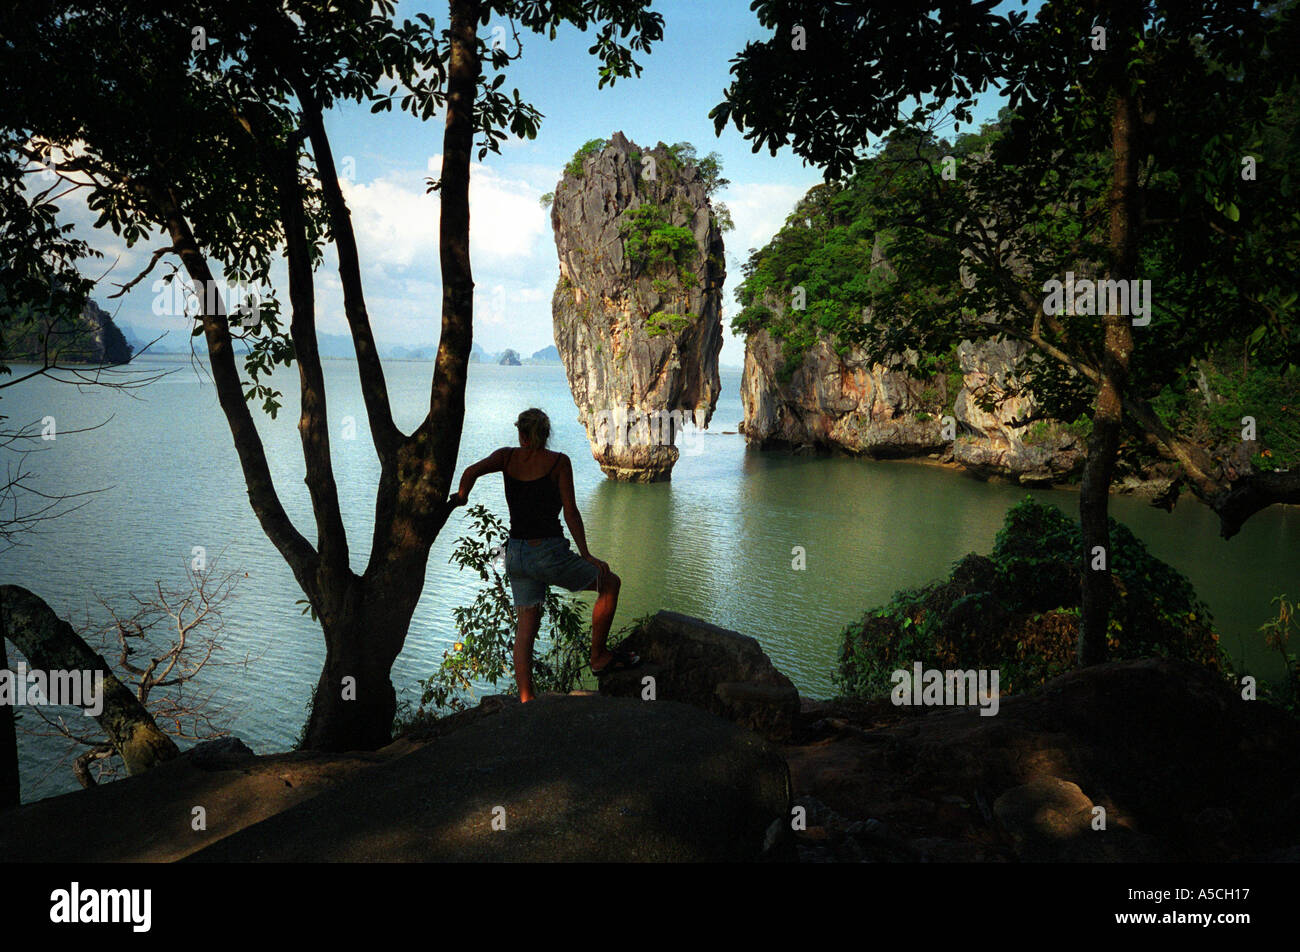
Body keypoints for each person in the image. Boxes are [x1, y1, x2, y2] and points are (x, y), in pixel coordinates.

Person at [448, 408, 637, 702]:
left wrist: (462, 497)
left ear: (522, 434)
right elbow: (571, 512)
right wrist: (586, 554)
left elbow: (471, 472)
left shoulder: (506, 457)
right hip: (547, 552)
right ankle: (598, 656)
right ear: (545, 435)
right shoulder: (558, 463)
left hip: (515, 554)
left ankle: (526, 699)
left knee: (526, 627)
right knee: (609, 583)